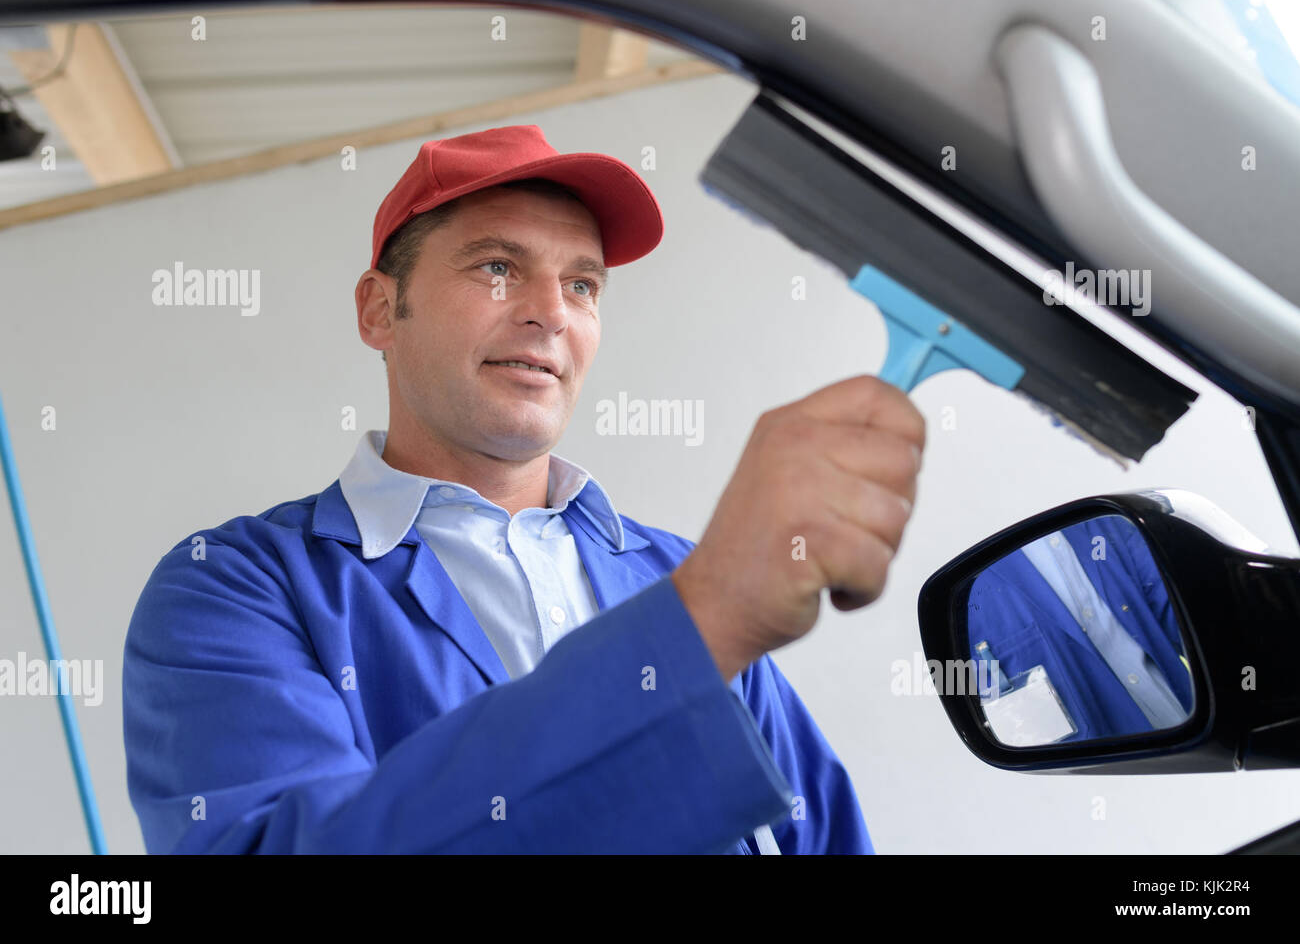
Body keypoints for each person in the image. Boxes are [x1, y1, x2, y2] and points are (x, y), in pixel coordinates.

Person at [122, 124, 926, 854]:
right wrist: (702, 622)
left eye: (583, 286)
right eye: (499, 268)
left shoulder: (677, 573)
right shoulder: (235, 589)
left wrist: (703, 608)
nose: (551, 314)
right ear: (378, 310)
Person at [967, 514, 1192, 744]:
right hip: (1100, 775)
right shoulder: (958, 594)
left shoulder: (1102, 518)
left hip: (1192, 740)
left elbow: (1187, 616)